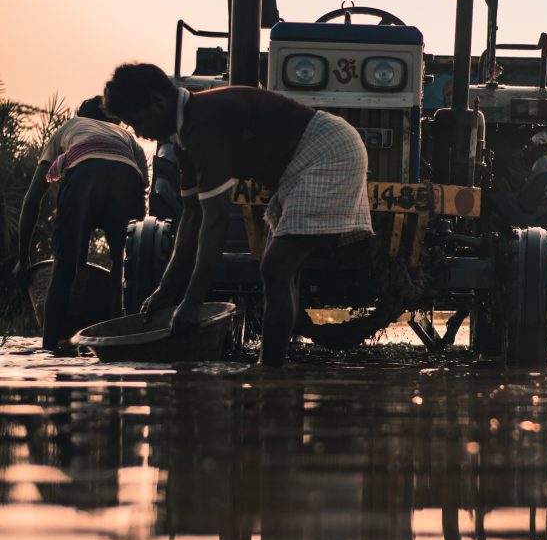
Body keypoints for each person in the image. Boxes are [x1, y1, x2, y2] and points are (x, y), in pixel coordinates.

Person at [102, 63, 373, 367]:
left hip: (328, 150)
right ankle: (273, 364)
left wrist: (192, 302)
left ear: (158, 103)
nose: (139, 133)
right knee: (281, 270)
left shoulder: (203, 124)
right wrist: (166, 290)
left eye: (137, 122)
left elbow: (215, 221)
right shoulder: (183, 141)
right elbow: (192, 217)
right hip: (295, 170)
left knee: (275, 267)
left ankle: (269, 369)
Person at [15, 96, 148, 351]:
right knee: (121, 267)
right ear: (114, 121)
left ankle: (49, 349)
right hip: (127, 177)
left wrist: (23, 260)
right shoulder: (125, 136)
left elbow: (32, 200)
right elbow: (140, 187)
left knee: (64, 267)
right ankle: (119, 345)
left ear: (81, 115)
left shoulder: (70, 126)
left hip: (84, 175)